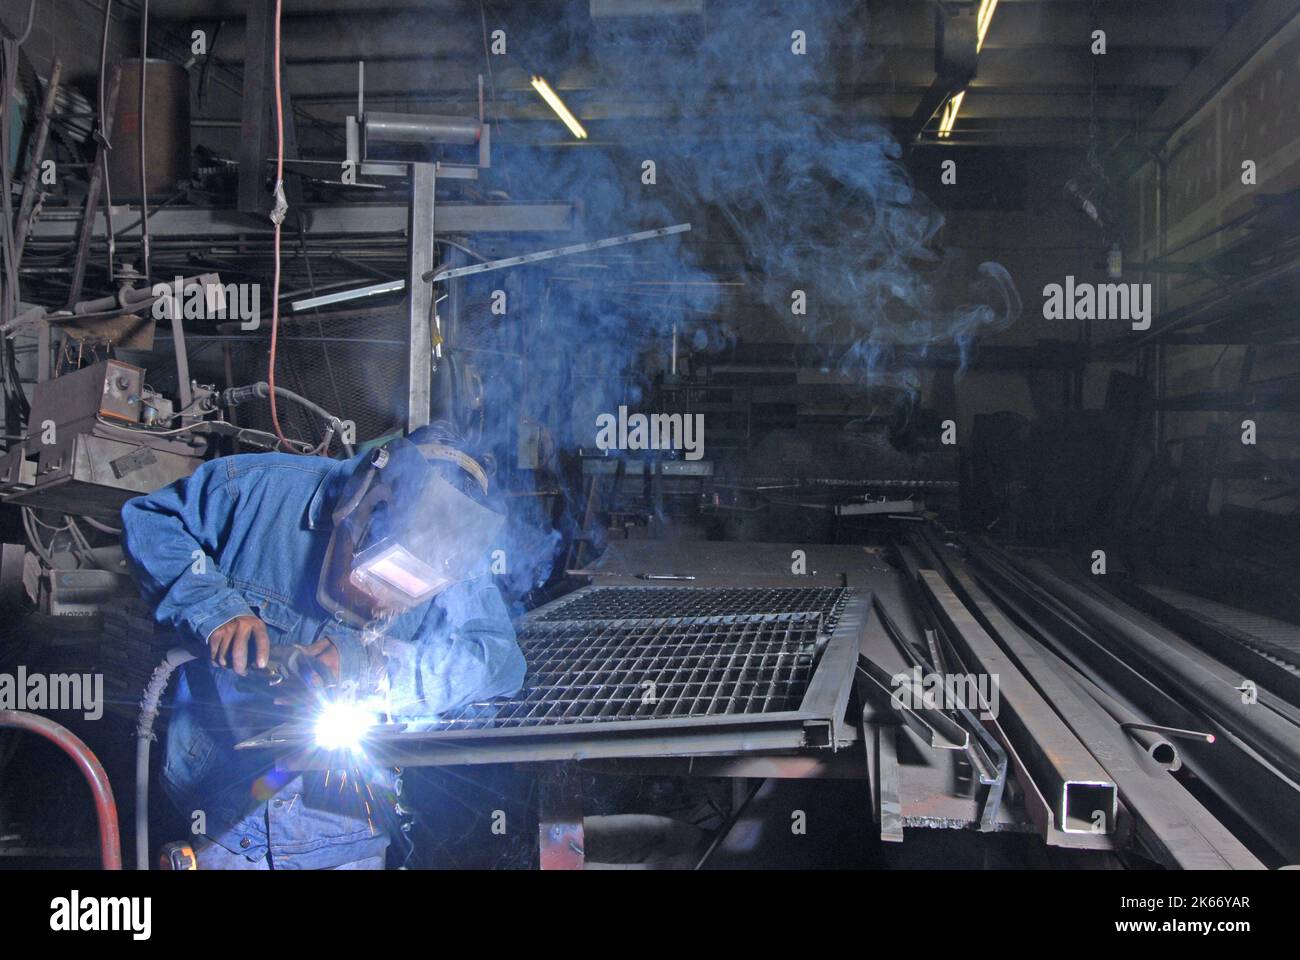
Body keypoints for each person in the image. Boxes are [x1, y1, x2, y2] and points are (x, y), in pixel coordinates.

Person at [120, 423, 525, 870]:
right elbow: (152, 519)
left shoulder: (456, 552)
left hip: (348, 832)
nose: (379, 605)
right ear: (359, 505)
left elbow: (498, 660)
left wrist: (370, 669)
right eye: (376, 577)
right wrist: (214, 608)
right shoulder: (259, 489)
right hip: (220, 815)